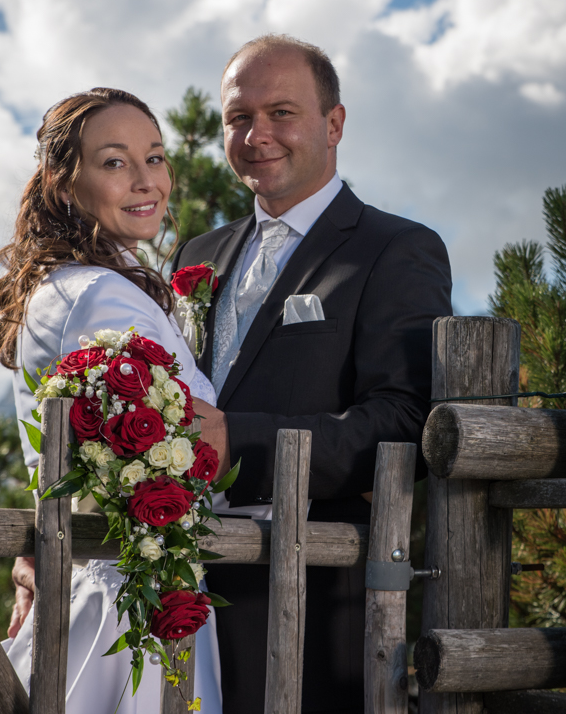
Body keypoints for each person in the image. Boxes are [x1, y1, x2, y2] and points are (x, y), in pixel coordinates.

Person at [171, 35, 453, 714]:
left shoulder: (395, 248)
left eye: (281, 112)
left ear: (334, 124)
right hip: (182, 590)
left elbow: (403, 420)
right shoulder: (198, 252)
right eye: (239, 117)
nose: (256, 134)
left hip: (313, 594)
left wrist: (242, 442)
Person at [0, 88, 226, 714]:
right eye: (114, 162)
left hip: (98, 569)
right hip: (131, 598)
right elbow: (187, 441)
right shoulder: (99, 293)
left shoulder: (75, 283)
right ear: (64, 187)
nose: (145, 179)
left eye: (154, 158)